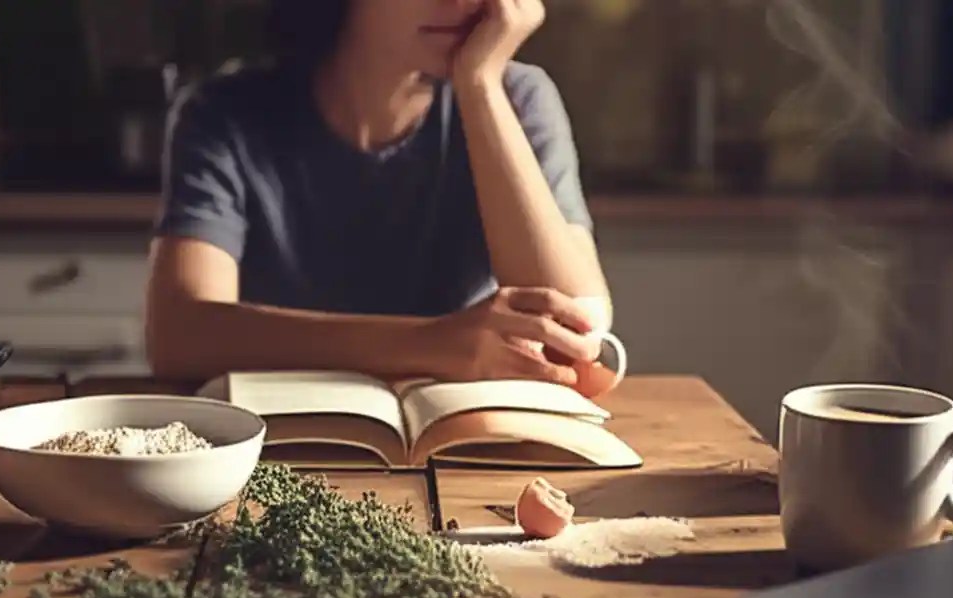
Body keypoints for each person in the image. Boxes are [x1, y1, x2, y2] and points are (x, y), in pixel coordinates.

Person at [145, 0, 617, 395]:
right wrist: (428, 344)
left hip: (466, 450)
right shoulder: (224, 114)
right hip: (280, 445)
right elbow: (179, 335)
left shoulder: (517, 97)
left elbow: (577, 334)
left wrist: (480, 87)